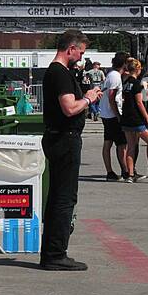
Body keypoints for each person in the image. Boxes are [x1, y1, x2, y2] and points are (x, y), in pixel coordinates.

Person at [40, 30, 101, 271]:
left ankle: (52, 252)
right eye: (81, 52)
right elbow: (69, 108)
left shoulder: (57, 72)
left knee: (59, 196)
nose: (81, 57)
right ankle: (56, 253)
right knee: (64, 197)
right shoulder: (60, 73)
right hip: (64, 139)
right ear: (71, 49)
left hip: (59, 138)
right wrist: (88, 99)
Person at [120, 58, 148, 182]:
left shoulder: (126, 83)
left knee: (131, 146)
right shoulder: (137, 83)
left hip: (126, 117)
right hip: (136, 118)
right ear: (137, 69)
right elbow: (139, 102)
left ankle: (130, 174)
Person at [99, 52, 127, 181]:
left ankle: (110, 171)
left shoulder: (111, 75)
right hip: (112, 115)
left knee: (108, 142)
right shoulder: (115, 76)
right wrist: (118, 115)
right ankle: (125, 170)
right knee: (121, 144)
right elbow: (112, 97)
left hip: (106, 113)